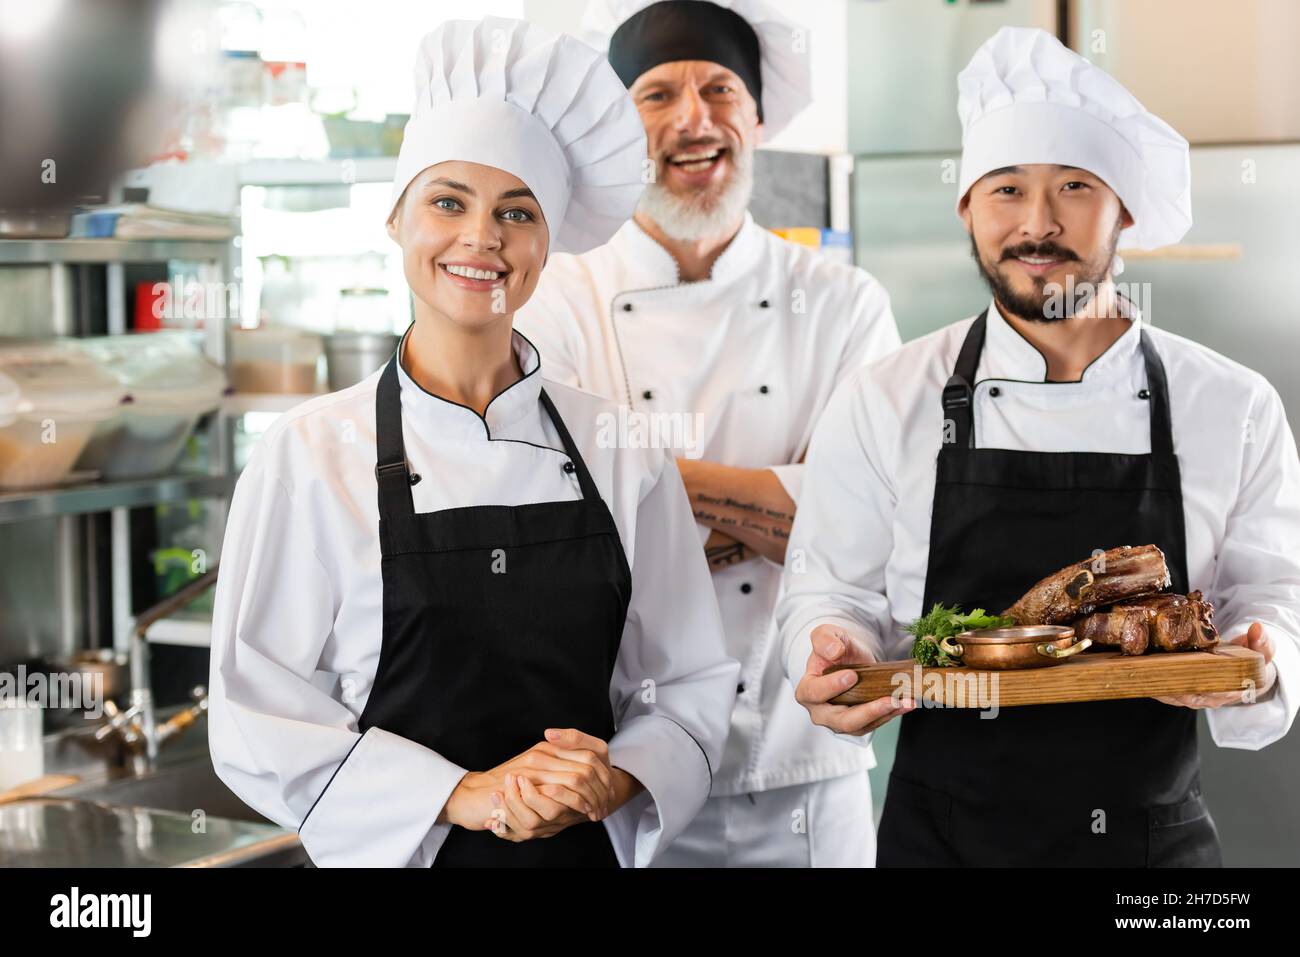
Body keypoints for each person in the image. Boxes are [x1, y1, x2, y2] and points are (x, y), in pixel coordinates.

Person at [208, 15, 739, 868]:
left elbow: (691, 681)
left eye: (516, 213)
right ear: (396, 219)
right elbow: (253, 713)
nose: (480, 238)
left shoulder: (619, 446)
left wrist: (620, 776)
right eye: (447, 201)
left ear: (545, 245)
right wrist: (463, 793)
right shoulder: (310, 454)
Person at [779, 26, 1299, 867]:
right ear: (967, 210)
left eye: (1075, 187)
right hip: (940, 842)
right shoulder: (884, 399)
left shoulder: (1231, 405)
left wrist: (1263, 658)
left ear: (1123, 206)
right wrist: (834, 645)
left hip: (1153, 853)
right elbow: (830, 589)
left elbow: (1274, 596)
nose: (1038, 223)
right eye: (1007, 189)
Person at [516, 0, 900, 867]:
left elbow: (871, 525)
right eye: (657, 94)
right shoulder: (560, 297)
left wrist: (635, 482)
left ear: (758, 116)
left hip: (805, 762)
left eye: (720, 88)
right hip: (618, 770)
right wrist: (785, 501)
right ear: (619, 126)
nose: (695, 119)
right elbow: (553, 523)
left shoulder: (842, 303)